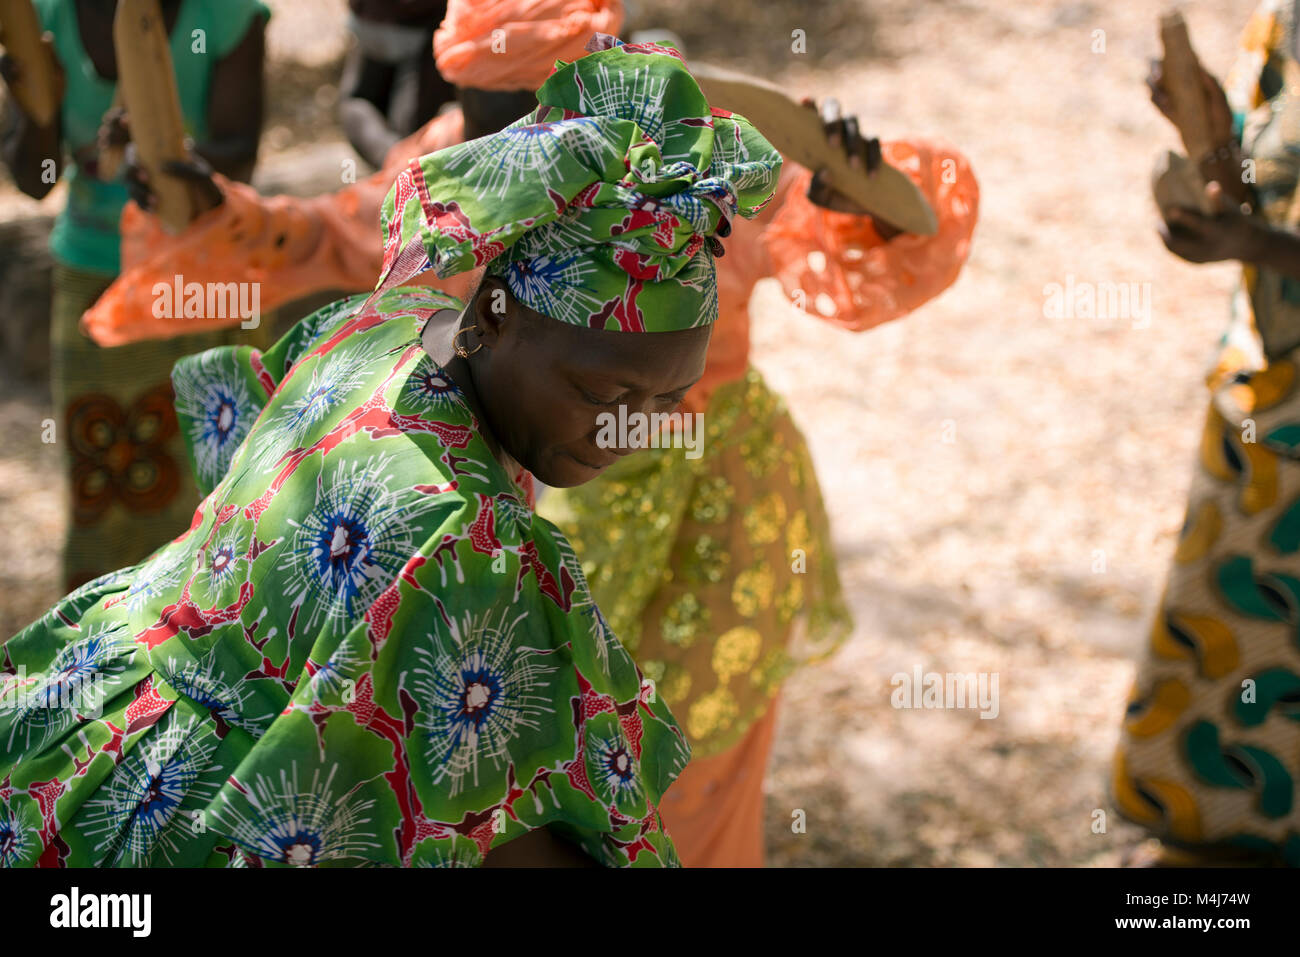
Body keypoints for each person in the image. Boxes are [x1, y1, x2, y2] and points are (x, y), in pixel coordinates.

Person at [77, 0, 980, 867]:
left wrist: (843, 164)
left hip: (714, 509)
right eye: (493, 119)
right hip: (557, 500)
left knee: (691, 775)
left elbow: (897, 231)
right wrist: (211, 212)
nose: (530, 157)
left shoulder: (676, 176)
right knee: (543, 756)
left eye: (546, 115)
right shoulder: (455, 483)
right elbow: (316, 237)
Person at [0, 37, 783, 868]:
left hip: (84, 736)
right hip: (185, 820)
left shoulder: (381, 324)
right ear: (492, 316)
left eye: (667, 402)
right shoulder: (466, 539)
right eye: (603, 396)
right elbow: (503, 829)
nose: (631, 429)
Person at [1113, 0, 1300, 867]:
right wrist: (1210, 130)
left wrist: (1254, 246)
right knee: (1236, 643)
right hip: (1264, 396)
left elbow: (1263, 230)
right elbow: (1255, 187)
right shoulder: (1282, 22)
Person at [0, 0, 271, 592]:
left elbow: (238, 159)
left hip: (204, 278)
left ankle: (215, 636)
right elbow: (35, 178)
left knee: (223, 479)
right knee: (105, 478)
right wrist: (35, 107)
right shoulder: (46, 16)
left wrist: (156, 151)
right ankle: (111, 653)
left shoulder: (223, 16)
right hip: (95, 275)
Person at [339, 0, 455, 169]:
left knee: (360, 101)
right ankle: (398, 167)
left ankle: (398, 167)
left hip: (382, 22)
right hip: (409, 24)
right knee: (406, 131)